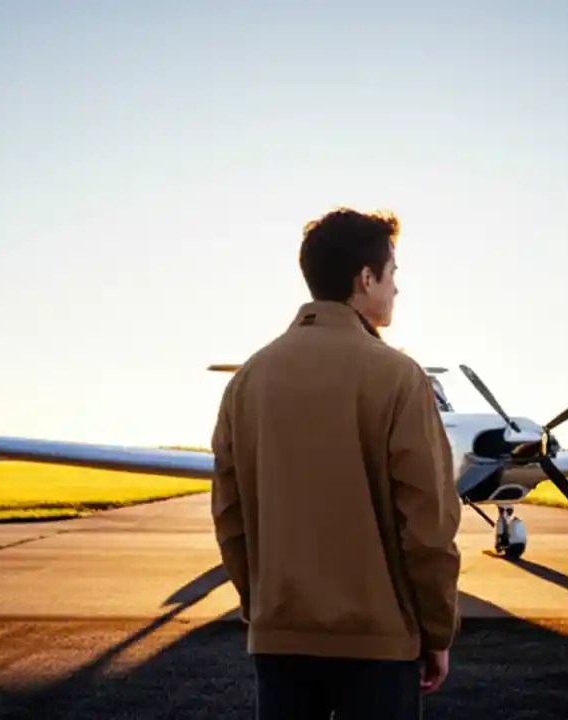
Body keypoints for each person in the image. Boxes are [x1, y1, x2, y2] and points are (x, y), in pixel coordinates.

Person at [210, 207, 462, 719]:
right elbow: (428, 524)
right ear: (365, 278)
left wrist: (261, 610)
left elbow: (229, 518)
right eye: (392, 275)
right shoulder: (399, 376)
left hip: (279, 643)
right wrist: (437, 631)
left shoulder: (247, 381)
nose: (396, 289)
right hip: (380, 650)